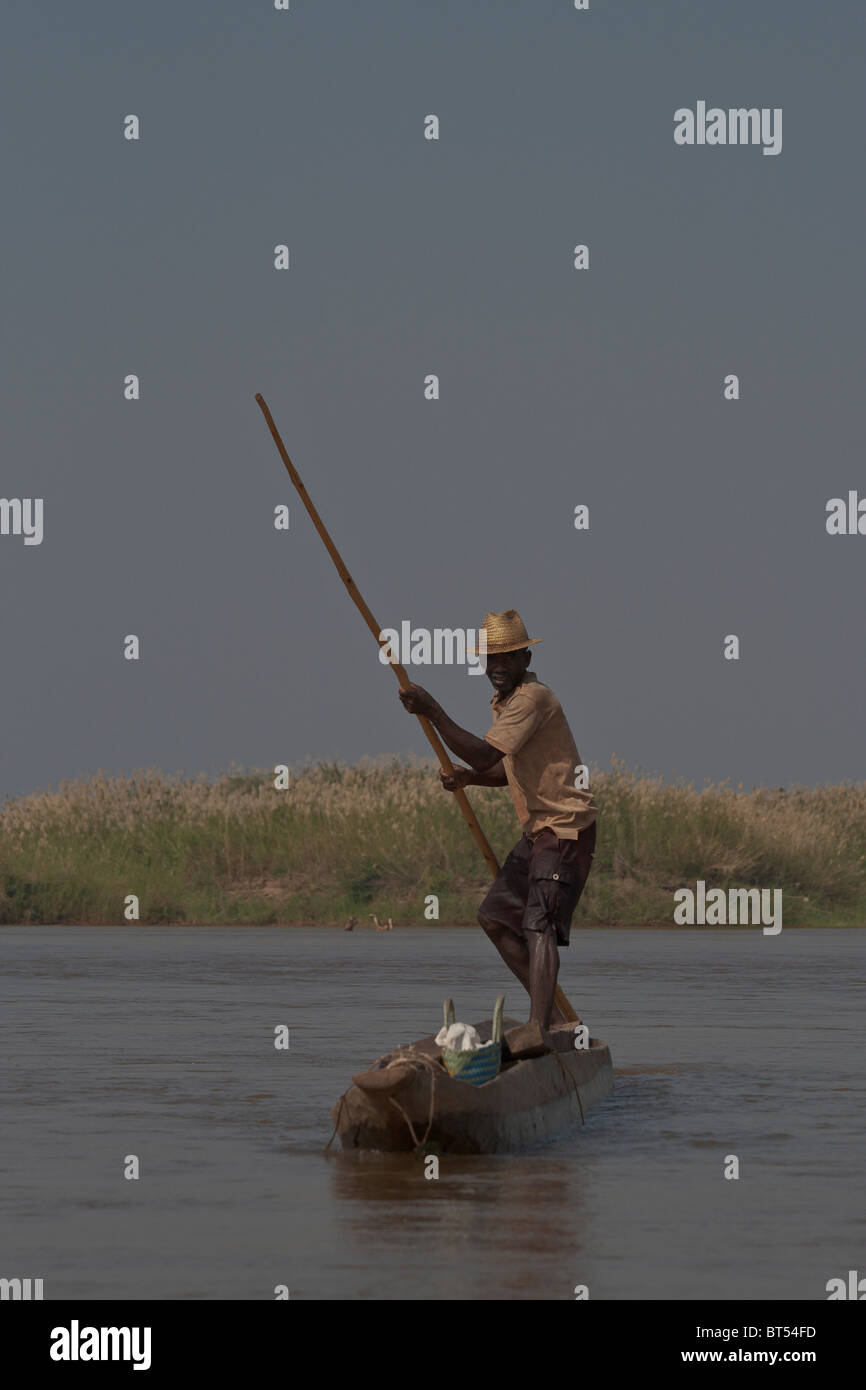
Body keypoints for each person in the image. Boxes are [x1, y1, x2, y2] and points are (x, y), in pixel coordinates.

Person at [398, 609, 597, 1029]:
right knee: (494, 919)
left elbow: (487, 752)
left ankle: (538, 1028)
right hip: (539, 832)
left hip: (565, 830)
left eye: (507, 658)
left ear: (526, 659)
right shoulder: (504, 702)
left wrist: (433, 710)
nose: (498, 667)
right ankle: (556, 1019)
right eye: (491, 659)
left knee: (538, 925)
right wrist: (470, 778)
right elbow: (502, 769)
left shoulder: (532, 698)